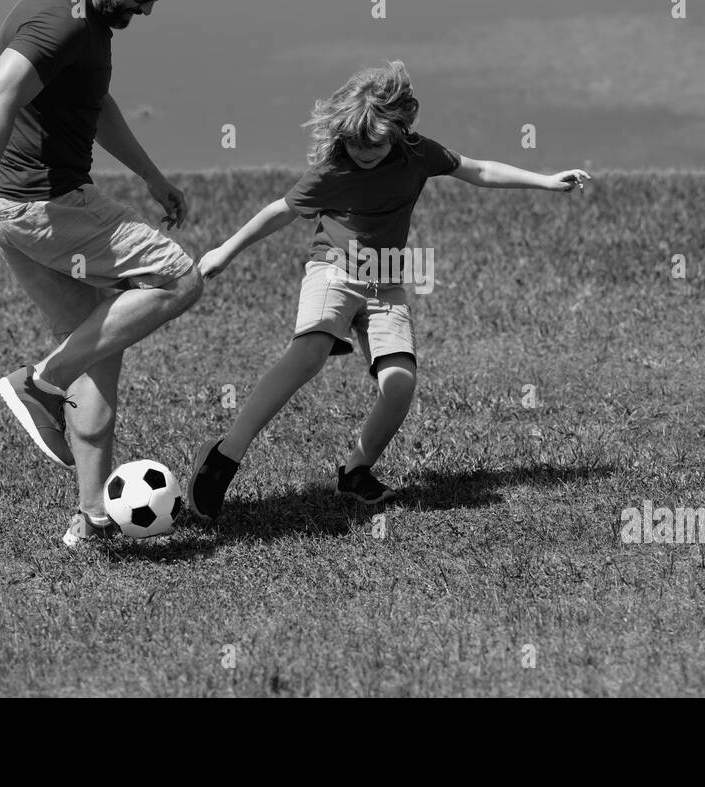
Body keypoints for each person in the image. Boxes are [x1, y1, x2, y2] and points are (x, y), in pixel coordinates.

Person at [188, 60, 590, 520]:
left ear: (400, 128)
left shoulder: (419, 154)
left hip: (387, 280)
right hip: (332, 271)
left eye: (373, 145)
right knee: (310, 353)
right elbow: (279, 211)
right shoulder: (334, 168)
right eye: (355, 144)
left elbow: (478, 170)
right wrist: (225, 250)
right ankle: (223, 457)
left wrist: (546, 181)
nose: (363, 153)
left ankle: (356, 470)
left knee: (399, 385)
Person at [0, 0, 203, 547]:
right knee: (178, 278)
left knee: (99, 353)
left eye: (157, 0)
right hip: (44, 206)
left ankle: (90, 518)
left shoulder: (87, 13)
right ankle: (38, 384)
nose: (147, 9)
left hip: (23, 213)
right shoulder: (63, 20)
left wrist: (150, 174)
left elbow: (95, 104)